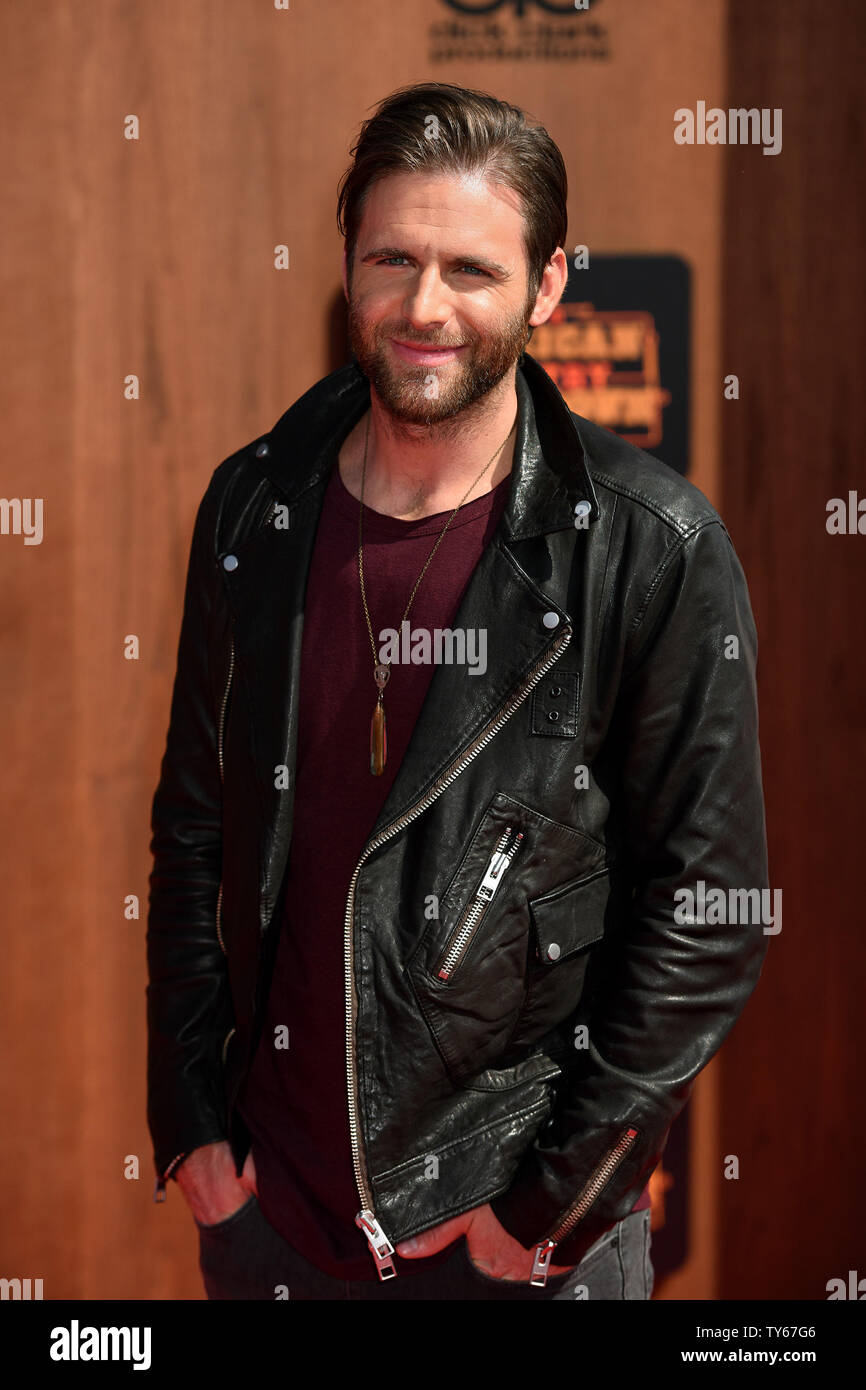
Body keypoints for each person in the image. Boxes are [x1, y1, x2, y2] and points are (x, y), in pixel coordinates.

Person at [146, 82, 769, 1301]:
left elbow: (707, 910)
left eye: (472, 271)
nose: (423, 308)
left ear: (544, 289)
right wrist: (187, 1117)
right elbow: (193, 827)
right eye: (392, 259)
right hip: (273, 1223)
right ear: (346, 269)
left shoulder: (647, 549)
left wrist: (549, 1204)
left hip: (513, 1250)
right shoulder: (252, 508)